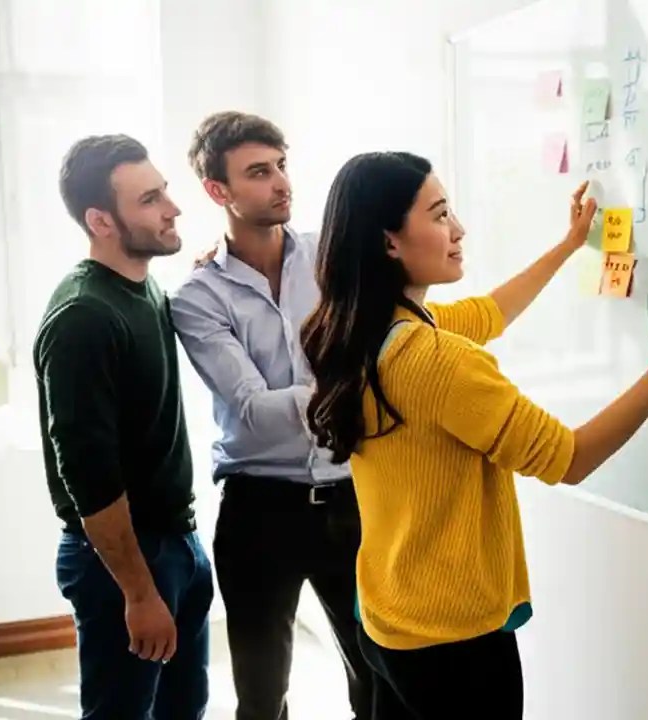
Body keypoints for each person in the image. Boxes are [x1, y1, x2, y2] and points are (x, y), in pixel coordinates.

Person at [299, 151, 648, 718]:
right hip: (452, 647)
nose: (459, 229)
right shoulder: (438, 361)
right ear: (389, 241)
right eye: (440, 215)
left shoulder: (361, 330)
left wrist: (569, 245)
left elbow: (491, 313)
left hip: (388, 619)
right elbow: (571, 458)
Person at [170, 111, 371, 720]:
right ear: (218, 190)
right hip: (259, 513)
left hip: (353, 499)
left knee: (376, 679)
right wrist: (351, 383)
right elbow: (255, 412)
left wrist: (338, 382)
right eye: (258, 172)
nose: (281, 182)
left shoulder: (333, 259)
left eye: (281, 165)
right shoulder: (198, 297)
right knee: (260, 699)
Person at [35, 134, 213, 719]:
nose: (173, 208)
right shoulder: (84, 318)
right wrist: (138, 591)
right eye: (150, 200)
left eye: (164, 191)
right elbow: (89, 476)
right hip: (124, 562)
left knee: (184, 709)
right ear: (100, 221)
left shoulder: (143, 285)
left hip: (178, 542)